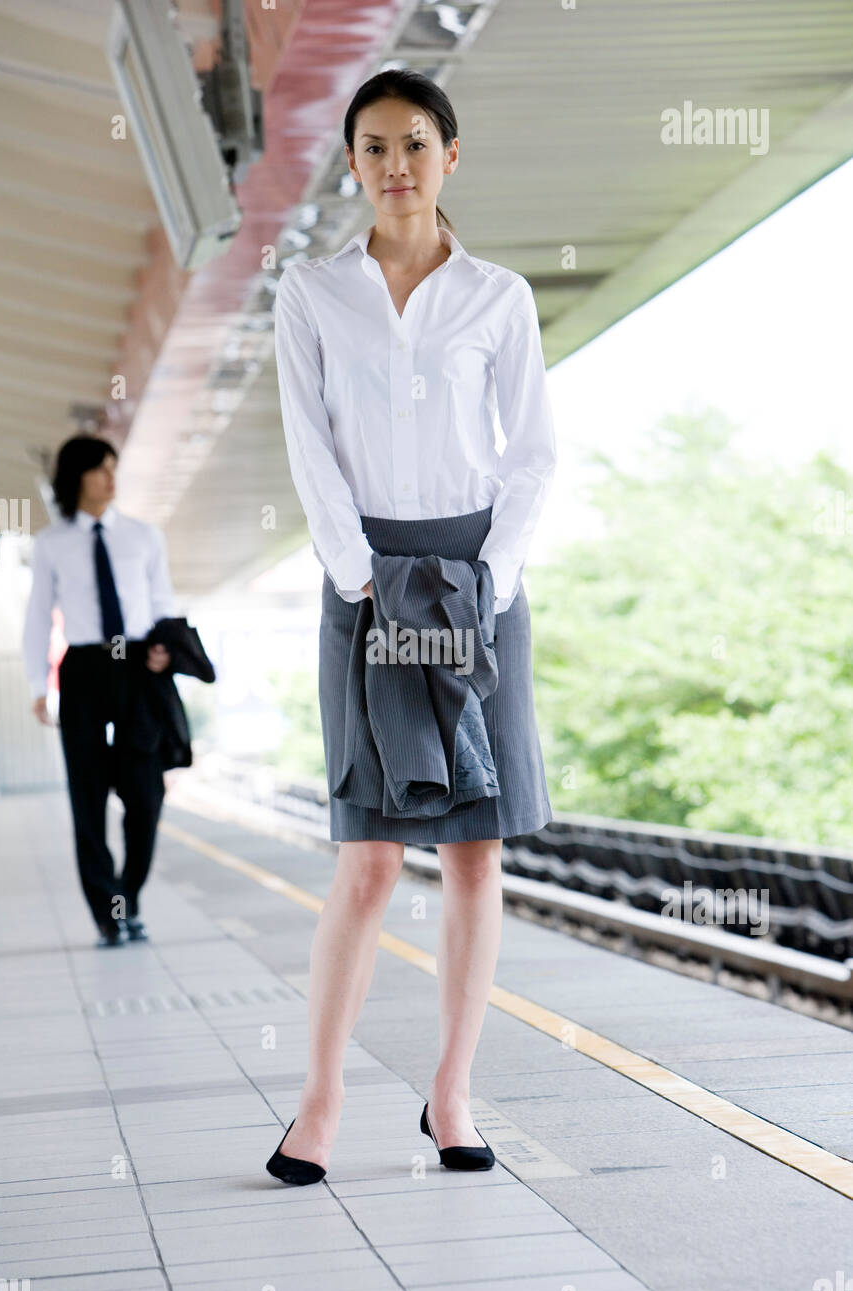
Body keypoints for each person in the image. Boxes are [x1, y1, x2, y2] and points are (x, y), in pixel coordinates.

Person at [268, 69, 557, 1183]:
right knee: (370, 860)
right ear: (352, 163)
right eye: (375, 145)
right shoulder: (310, 291)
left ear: (449, 158)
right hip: (365, 583)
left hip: (478, 577)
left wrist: (486, 579)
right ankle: (322, 1103)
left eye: (416, 143)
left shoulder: (499, 295)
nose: (397, 162)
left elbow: (529, 452)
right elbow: (310, 447)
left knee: (475, 853)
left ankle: (451, 1095)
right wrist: (359, 578)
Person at [22, 435, 178, 946]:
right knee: (86, 796)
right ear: (77, 478)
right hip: (85, 668)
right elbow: (39, 616)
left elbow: (162, 605)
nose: (111, 478)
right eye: (99, 469)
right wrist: (36, 686)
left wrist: (164, 651)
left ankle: (128, 897)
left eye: (114, 468)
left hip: (137, 666)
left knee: (145, 793)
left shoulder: (144, 537)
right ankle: (107, 916)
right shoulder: (51, 543)